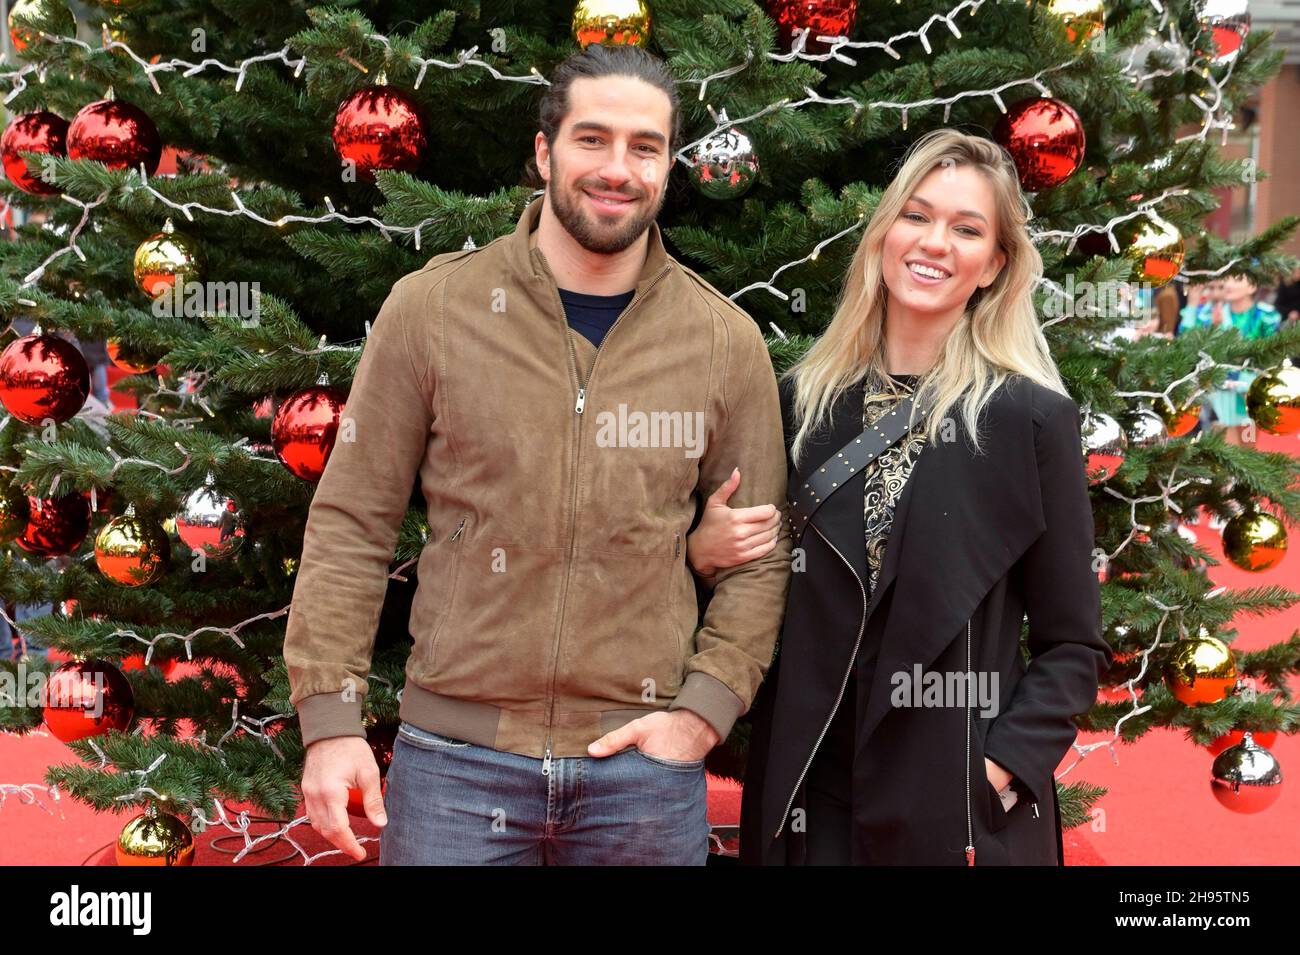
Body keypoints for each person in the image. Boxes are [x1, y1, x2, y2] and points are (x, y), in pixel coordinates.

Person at [282, 43, 792, 866]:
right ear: (545, 150)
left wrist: (702, 713)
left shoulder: (722, 341)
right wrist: (331, 721)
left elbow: (762, 554)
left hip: (642, 774)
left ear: (668, 166)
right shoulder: (435, 310)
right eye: (592, 140)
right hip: (454, 765)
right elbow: (352, 522)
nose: (617, 168)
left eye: (644, 146)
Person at [688, 129, 1111, 865]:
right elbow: (752, 591)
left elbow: (1072, 644)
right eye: (916, 215)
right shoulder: (801, 403)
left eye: (967, 228)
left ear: (995, 266)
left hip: (957, 812)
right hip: (811, 799)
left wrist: (994, 771)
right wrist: (702, 553)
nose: (935, 241)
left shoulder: (1032, 421)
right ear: (884, 235)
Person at [1178, 272, 1281, 445]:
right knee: (1226, 453)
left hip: (1250, 394)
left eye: (1237, 279)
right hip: (1218, 394)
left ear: (1252, 287)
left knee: (1248, 452)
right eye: (1227, 279)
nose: (1228, 284)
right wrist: (1194, 306)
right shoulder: (1208, 315)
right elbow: (1185, 342)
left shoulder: (1266, 316)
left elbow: (1273, 355)